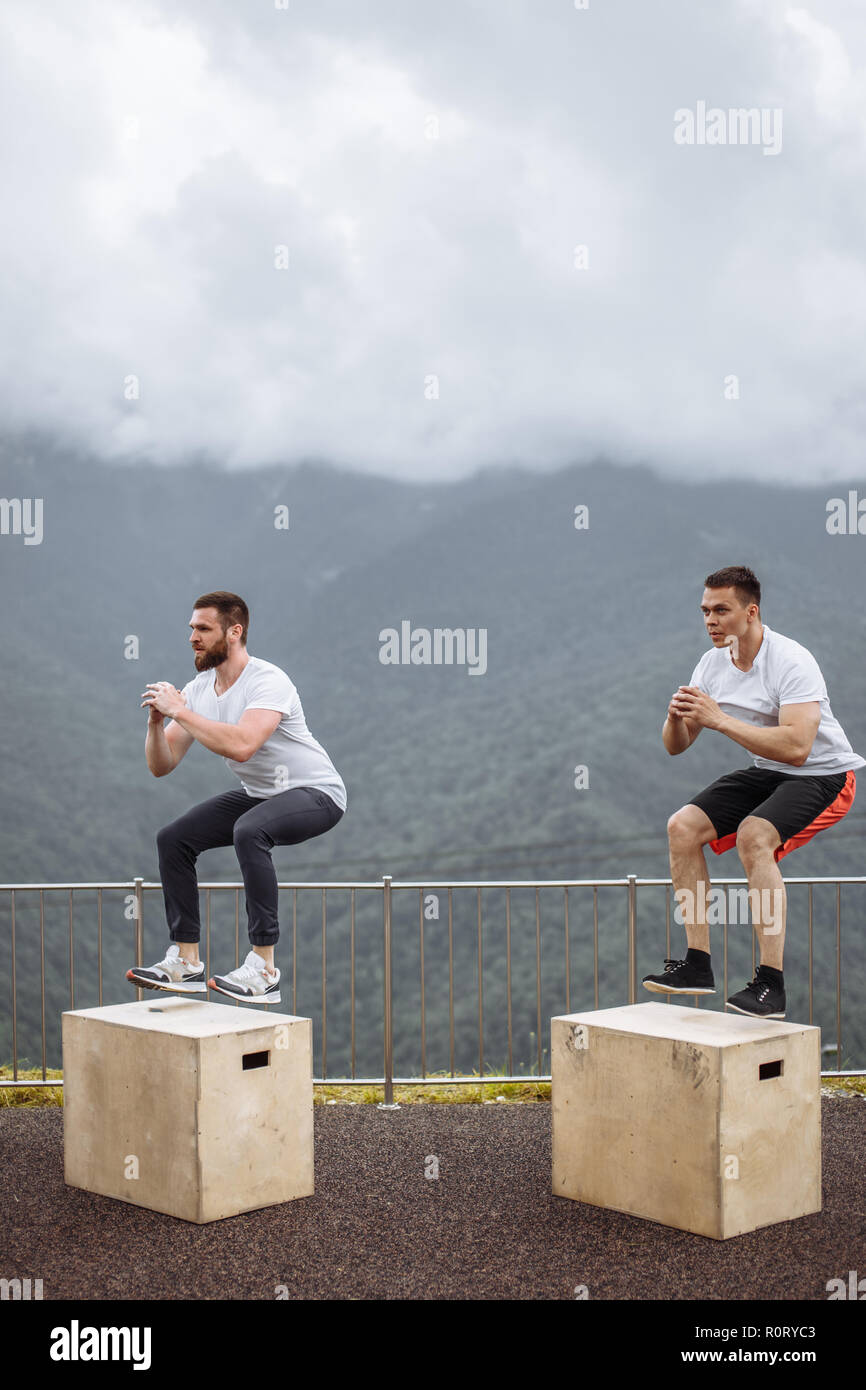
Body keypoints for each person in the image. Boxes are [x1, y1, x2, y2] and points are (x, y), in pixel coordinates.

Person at [643, 565, 862, 1018]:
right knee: (681, 827)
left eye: (721, 610)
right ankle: (696, 965)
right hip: (768, 768)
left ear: (751, 611)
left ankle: (770, 985)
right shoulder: (711, 664)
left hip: (824, 774)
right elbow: (675, 747)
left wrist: (719, 718)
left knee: (753, 835)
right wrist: (675, 716)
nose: (711, 620)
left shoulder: (791, 661)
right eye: (705, 611)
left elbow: (799, 748)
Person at [127, 591, 346, 1005]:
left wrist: (181, 712)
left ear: (234, 632)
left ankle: (264, 968)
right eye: (192, 628)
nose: (193, 637)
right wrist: (157, 724)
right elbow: (162, 764)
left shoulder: (267, 681)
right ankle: (186, 961)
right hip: (260, 796)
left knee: (250, 831)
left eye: (203, 629)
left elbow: (243, 745)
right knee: (172, 838)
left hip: (317, 793)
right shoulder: (199, 690)